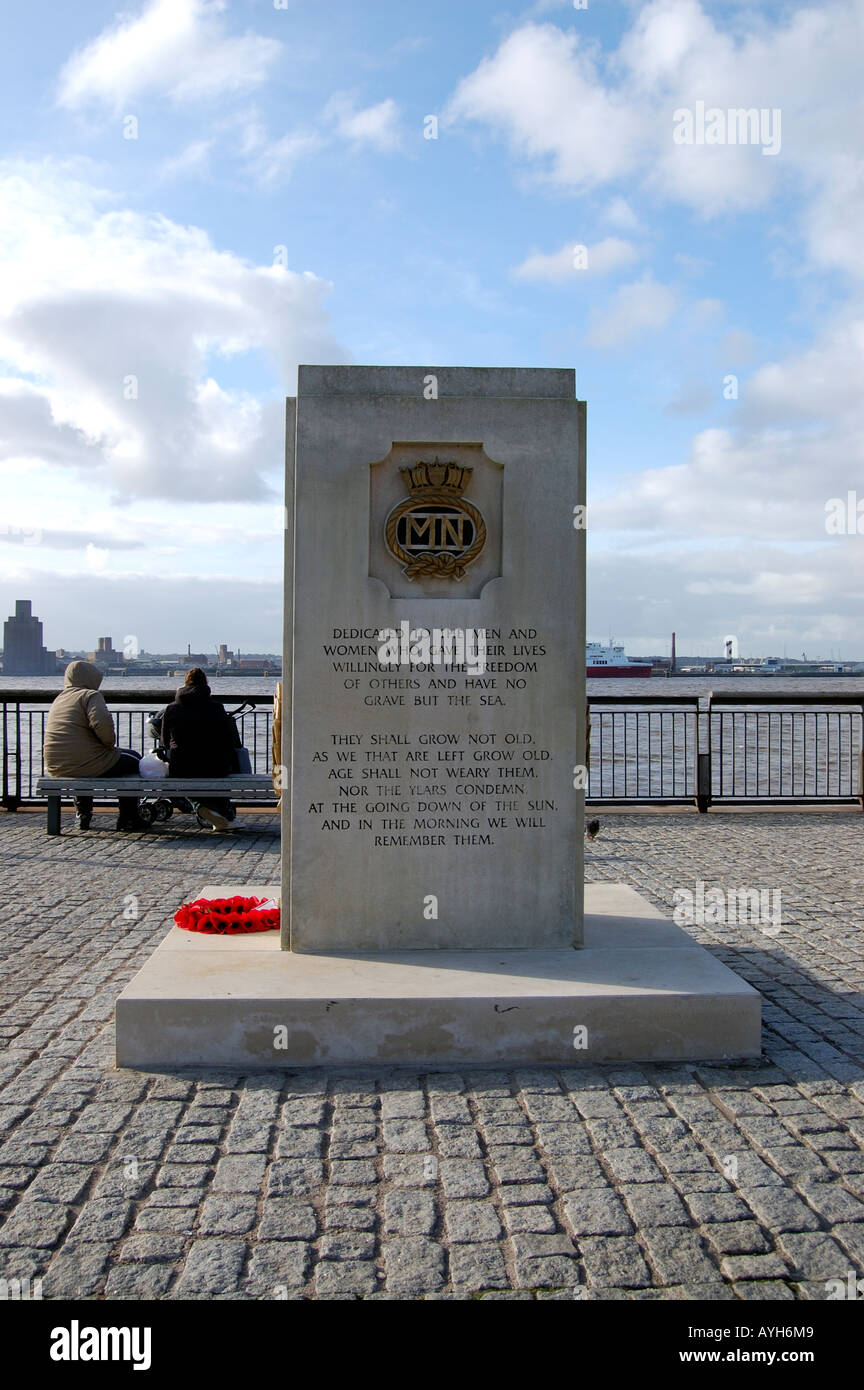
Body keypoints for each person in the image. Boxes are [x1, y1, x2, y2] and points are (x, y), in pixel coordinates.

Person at [43, 660, 147, 831]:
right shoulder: (90, 695)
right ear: (90, 678)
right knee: (135, 760)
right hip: (86, 762)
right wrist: (109, 744)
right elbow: (102, 724)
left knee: (80, 768)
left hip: (57, 764)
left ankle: (82, 814)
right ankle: (128, 817)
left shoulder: (60, 699)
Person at [161, 668, 241, 831]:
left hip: (182, 765)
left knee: (175, 779)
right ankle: (224, 813)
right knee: (219, 775)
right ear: (206, 684)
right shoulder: (217, 708)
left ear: (184, 683)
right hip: (215, 766)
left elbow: (164, 741)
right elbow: (229, 739)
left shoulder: (171, 708)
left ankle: (199, 806)